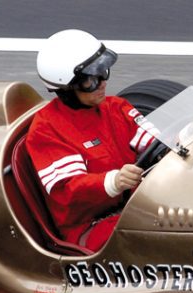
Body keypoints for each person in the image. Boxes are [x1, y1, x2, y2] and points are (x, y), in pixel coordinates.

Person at [26, 29, 156, 251]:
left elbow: (154, 143)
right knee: (166, 233)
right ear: (67, 87)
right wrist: (114, 181)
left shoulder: (116, 107)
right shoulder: (47, 130)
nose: (102, 83)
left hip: (133, 207)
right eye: (91, 80)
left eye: (102, 72)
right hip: (88, 228)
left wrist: (182, 138)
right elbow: (69, 192)